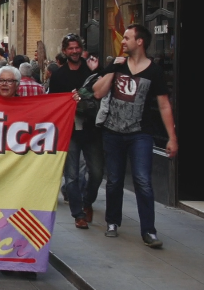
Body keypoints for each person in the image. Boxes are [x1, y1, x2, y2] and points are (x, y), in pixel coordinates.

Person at [93, 25, 178, 247]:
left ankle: (149, 231)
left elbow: (164, 105)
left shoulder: (154, 72)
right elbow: (98, 92)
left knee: (143, 181)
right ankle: (112, 222)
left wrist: (172, 137)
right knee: (114, 181)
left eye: (127, 38)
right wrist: (112, 68)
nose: (123, 41)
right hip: (113, 132)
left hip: (141, 134)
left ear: (139, 42)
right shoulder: (118, 66)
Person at [48, 33, 102, 230]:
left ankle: (88, 201)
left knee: (96, 173)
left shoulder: (91, 70)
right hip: (69, 131)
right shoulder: (59, 75)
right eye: (70, 48)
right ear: (64, 51)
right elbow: (52, 103)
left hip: (92, 130)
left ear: (82, 49)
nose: (74, 51)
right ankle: (78, 214)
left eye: (77, 47)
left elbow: (102, 91)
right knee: (71, 176)